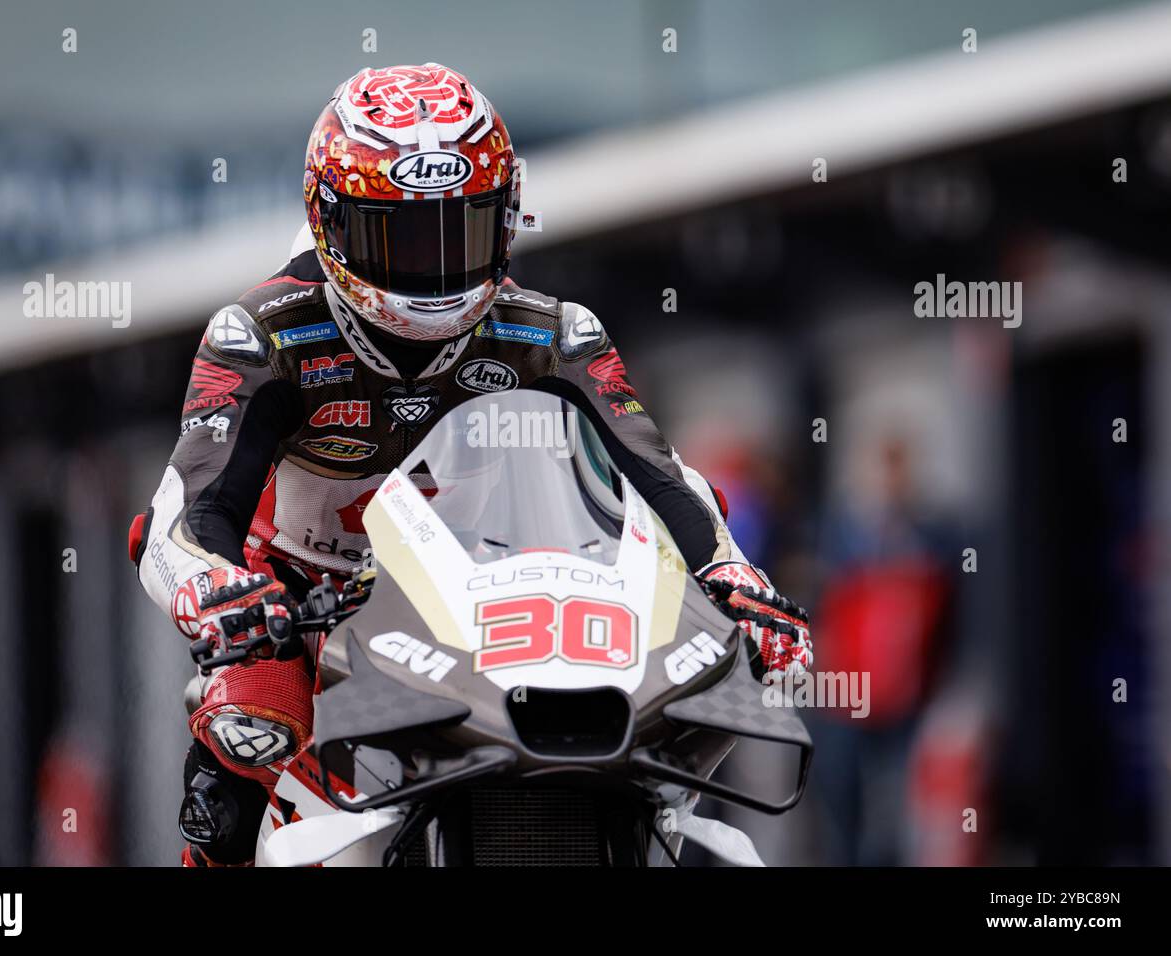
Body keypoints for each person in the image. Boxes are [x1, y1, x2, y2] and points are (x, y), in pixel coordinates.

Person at [127, 63, 812, 865]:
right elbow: (187, 509)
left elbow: (663, 480)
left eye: (464, 231)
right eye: (404, 237)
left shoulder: (555, 332)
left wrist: (740, 583)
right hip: (299, 610)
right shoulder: (261, 333)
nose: (437, 267)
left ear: (509, 217)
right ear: (330, 221)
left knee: (659, 744)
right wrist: (213, 591)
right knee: (246, 741)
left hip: (484, 612)